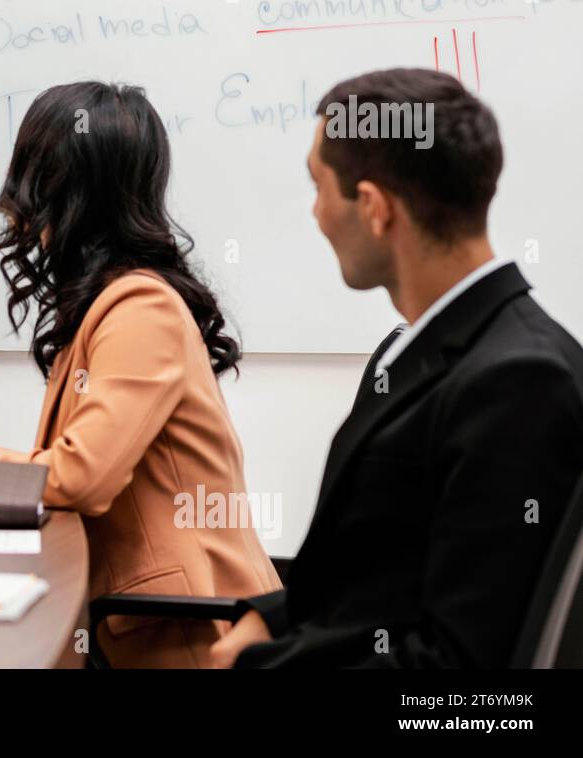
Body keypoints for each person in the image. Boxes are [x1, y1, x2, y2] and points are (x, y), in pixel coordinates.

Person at [211, 68, 583, 669]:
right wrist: (271, 614)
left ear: (375, 209)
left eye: (319, 187)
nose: (315, 214)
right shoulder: (426, 350)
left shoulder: (518, 382)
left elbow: (462, 680)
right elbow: (381, 568)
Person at [0, 81, 281, 668]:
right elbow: (82, 461)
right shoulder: (109, 300)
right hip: (137, 621)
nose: (15, 198)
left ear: (64, 187)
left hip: (191, 635)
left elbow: (83, 477)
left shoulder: (142, 307)